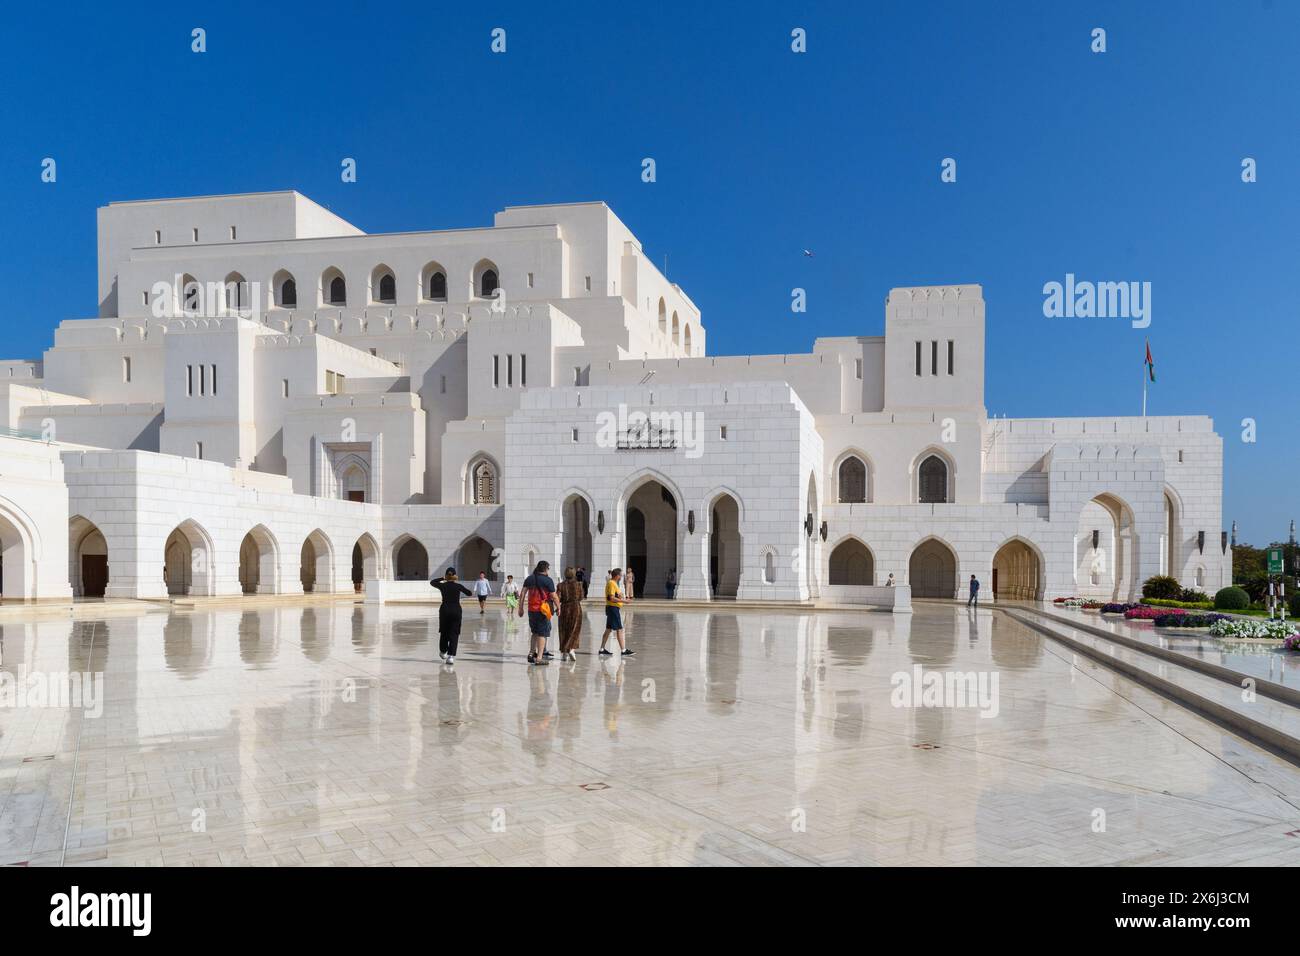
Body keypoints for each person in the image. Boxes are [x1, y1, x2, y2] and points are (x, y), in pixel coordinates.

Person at [430, 567, 472, 665]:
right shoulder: (458, 586)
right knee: (454, 633)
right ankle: (451, 656)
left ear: (446, 576)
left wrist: (442, 578)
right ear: (454, 576)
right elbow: (469, 593)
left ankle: (443, 651)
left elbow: (432, 582)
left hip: (445, 610)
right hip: (456, 611)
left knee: (444, 632)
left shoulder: (443, 586)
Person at [520, 560, 558, 666]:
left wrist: (520, 608)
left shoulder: (529, 578)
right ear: (546, 569)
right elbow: (554, 596)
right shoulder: (548, 580)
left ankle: (531, 653)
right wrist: (558, 607)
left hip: (531, 610)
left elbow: (522, 594)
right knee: (542, 633)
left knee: (535, 632)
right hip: (543, 611)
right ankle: (539, 658)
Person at [600, 568, 634, 657]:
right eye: (621, 575)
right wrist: (624, 601)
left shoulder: (614, 583)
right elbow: (611, 598)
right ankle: (623, 650)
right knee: (619, 629)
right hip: (613, 608)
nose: (622, 576)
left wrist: (622, 599)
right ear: (617, 575)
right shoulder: (611, 583)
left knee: (608, 629)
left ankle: (602, 649)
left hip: (612, 608)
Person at [557, 566, 584, 661]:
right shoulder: (578, 584)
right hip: (576, 608)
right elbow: (581, 597)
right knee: (575, 629)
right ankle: (571, 649)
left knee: (564, 629)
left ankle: (564, 652)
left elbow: (558, 598)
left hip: (564, 608)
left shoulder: (560, 585)